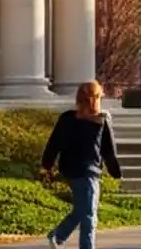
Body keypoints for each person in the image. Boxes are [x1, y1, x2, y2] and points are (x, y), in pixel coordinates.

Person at [42, 81, 122, 249]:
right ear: (96, 99)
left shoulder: (99, 121)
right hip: (85, 172)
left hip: (76, 170)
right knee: (89, 215)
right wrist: (47, 164)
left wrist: (47, 164)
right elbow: (55, 143)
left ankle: (57, 235)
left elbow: (108, 150)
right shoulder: (71, 119)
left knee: (82, 209)